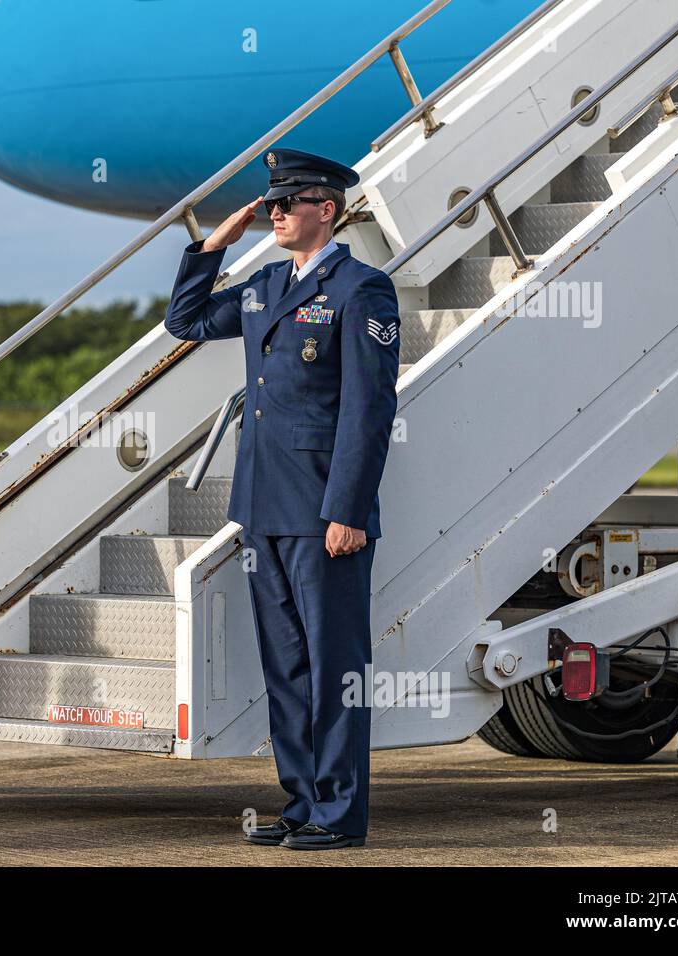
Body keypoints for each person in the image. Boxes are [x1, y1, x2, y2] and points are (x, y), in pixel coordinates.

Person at [165, 149, 400, 849]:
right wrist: (213, 247)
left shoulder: (361, 289)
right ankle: (302, 803)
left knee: (335, 669)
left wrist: (348, 510)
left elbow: (368, 409)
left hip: (324, 513)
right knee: (287, 669)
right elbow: (187, 322)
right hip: (264, 506)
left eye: (285, 203)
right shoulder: (266, 284)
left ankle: (340, 814)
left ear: (325, 208)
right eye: (268, 204)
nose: (273, 214)